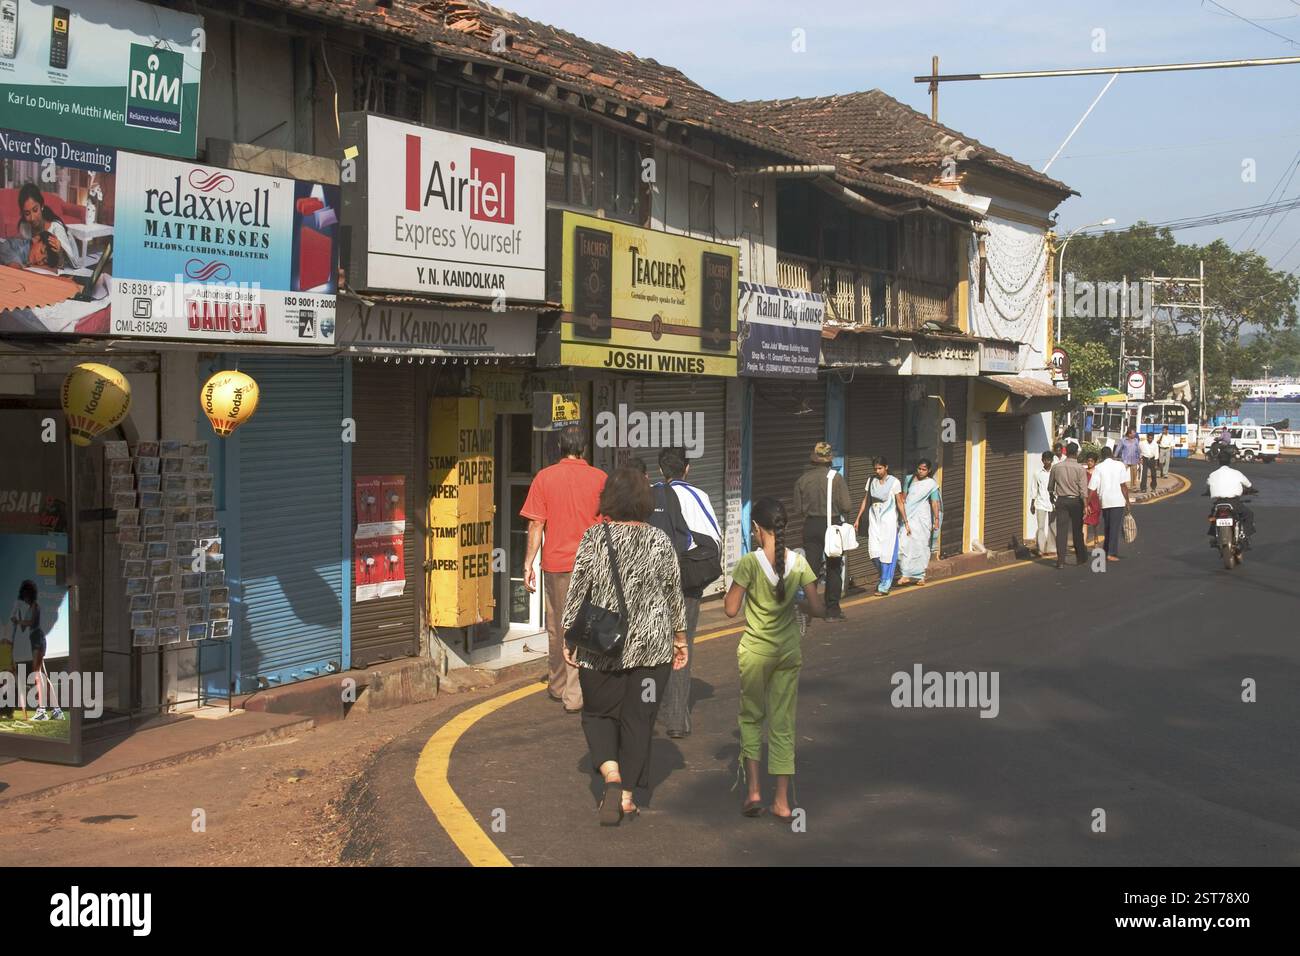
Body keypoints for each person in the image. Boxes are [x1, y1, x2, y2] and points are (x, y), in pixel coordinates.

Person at [561, 468, 687, 826]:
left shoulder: (593, 538)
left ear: (609, 499)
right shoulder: (661, 541)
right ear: (645, 500)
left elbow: (576, 593)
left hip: (601, 645)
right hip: (652, 648)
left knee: (598, 713)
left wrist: (569, 636)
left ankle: (611, 775)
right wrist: (680, 639)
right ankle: (628, 796)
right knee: (639, 719)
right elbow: (673, 595)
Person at [725, 497, 823, 820]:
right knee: (782, 724)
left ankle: (753, 792)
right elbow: (817, 608)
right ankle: (782, 801)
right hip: (787, 651)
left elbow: (729, 609)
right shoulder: (799, 563)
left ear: (756, 529)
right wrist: (798, 605)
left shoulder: (749, 564)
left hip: (755, 652)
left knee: (751, 718)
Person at [521, 426, 607, 713]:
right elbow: (608, 524)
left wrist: (528, 564)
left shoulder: (545, 477)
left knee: (558, 624)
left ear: (559, 445)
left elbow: (536, 524)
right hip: (591, 563)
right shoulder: (600, 478)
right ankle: (575, 692)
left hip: (556, 564)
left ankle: (559, 687)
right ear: (584, 447)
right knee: (585, 625)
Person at [651, 447, 721, 739]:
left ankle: (648, 708)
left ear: (660, 470)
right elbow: (715, 540)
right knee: (681, 646)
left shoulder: (650, 494)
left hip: (651, 582)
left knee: (653, 646)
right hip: (685, 585)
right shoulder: (698, 496)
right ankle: (677, 719)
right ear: (687, 469)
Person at [792, 442, 851, 619]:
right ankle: (832, 611)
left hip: (811, 526)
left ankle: (811, 609)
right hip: (831, 526)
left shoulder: (803, 479)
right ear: (829, 460)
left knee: (811, 569)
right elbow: (846, 506)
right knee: (833, 568)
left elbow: (798, 509)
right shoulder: (836, 478)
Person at [10, 580, 60, 721]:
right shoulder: (28, 608)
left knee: (37, 674)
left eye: (27, 594)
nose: (25, 597)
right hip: (34, 639)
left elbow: (30, 623)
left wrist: (19, 621)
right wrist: (18, 617)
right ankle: (56, 710)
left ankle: (42, 710)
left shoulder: (35, 606)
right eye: (23, 594)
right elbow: (24, 628)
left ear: (30, 594)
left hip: (38, 639)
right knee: (42, 674)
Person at [854, 457, 904, 595]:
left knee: (887, 553)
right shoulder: (871, 481)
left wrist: (905, 521)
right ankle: (885, 576)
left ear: (886, 467)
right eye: (875, 469)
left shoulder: (895, 482)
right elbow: (865, 500)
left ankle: (884, 584)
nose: (877, 471)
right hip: (874, 520)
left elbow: (899, 502)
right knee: (874, 553)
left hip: (889, 521)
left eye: (880, 468)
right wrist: (858, 518)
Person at [14, 184, 84, 270]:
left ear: (42, 206)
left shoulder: (55, 228)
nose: (32, 218)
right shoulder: (24, 227)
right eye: (27, 213)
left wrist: (60, 252)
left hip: (65, 263)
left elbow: (68, 263)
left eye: (35, 210)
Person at [896, 459, 941, 586]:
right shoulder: (909, 479)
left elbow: (934, 502)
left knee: (920, 546)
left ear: (929, 471)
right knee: (903, 544)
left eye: (924, 469)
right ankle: (905, 575)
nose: (921, 471)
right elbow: (903, 498)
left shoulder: (931, 484)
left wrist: (936, 519)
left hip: (922, 518)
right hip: (908, 517)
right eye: (919, 469)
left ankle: (921, 576)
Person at [1048, 444, 1090, 568]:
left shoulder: (1056, 467)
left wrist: (1052, 495)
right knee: (1077, 530)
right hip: (1076, 501)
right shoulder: (1080, 468)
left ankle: (1060, 560)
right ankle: (1080, 558)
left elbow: (1050, 487)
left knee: (1061, 531)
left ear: (1066, 452)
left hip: (1061, 501)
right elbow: (1083, 490)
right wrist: (1086, 506)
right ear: (1076, 453)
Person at [1206, 452, 1257, 548]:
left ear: (1219, 461)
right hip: (1233, 502)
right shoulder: (1236, 473)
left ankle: (1215, 536)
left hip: (1219, 503)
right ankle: (1244, 534)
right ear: (1230, 461)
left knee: (1213, 516)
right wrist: (1252, 490)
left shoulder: (1213, 474)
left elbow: (1208, 485)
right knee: (1249, 514)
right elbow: (1248, 484)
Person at [1088, 447, 1130, 562]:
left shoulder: (1098, 468)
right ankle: (1111, 553)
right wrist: (1127, 501)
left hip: (1105, 500)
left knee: (1107, 526)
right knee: (1114, 527)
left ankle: (1106, 550)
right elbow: (1123, 486)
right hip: (1118, 500)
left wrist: (1086, 503)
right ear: (1112, 454)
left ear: (1101, 456)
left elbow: (1092, 488)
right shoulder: (1120, 465)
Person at [1031, 451, 1057, 559]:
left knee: (1052, 526)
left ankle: (1051, 548)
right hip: (1040, 503)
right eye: (1045, 460)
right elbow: (1034, 489)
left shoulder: (1055, 472)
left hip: (1053, 503)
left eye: (1049, 460)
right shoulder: (1037, 473)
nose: (1047, 462)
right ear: (1042, 460)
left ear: (1052, 460)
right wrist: (1032, 504)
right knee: (1041, 527)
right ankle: (1041, 549)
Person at [1082, 452, 1102, 548]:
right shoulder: (1083, 472)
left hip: (1096, 499)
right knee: (1085, 521)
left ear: (1095, 462)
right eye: (1088, 461)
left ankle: (1096, 539)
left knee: (1095, 522)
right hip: (1086, 498)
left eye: (1091, 461)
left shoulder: (1098, 472)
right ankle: (1084, 542)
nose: (1089, 463)